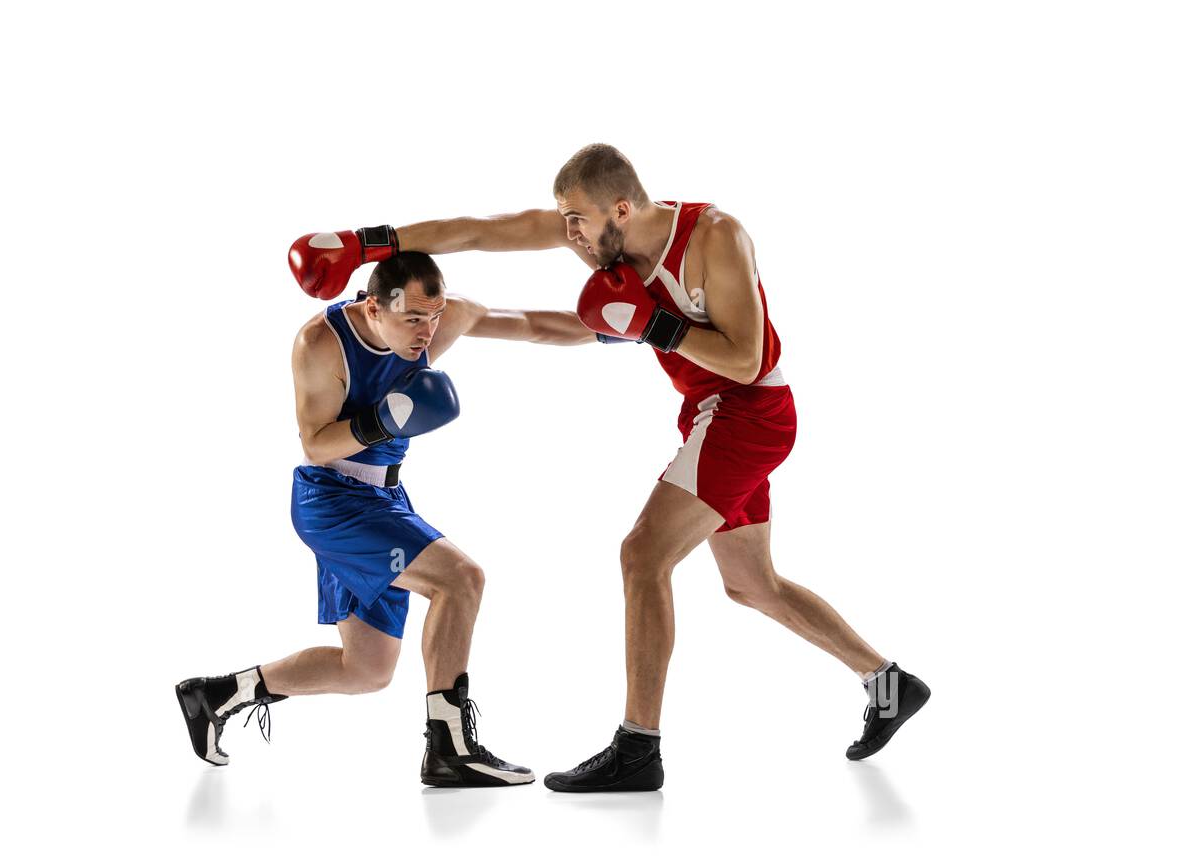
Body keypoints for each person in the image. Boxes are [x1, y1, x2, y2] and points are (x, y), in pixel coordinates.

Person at [291, 145, 931, 792]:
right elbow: (483, 232)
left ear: (621, 209)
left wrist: (654, 325)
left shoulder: (716, 237)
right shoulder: (606, 243)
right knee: (751, 583)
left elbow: (747, 360)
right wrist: (367, 243)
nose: (569, 234)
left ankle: (638, 748)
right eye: (565, 221)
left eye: (577, 221)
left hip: (747, 413)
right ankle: (887, 682)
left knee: (642, 556)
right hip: (708, 415)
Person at [176, 250, 594, 786]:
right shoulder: (321, 342)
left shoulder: (439, 318)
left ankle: (215, 695)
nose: (427, 331)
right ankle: (450, 749)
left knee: (366, 669)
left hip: (386, 500)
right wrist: (381, 422)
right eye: (413, 318)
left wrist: (629, 330)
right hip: (333, 503)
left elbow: (531, 325)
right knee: (461, 580)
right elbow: (315, 444)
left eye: (434, 316)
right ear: (374, 308)